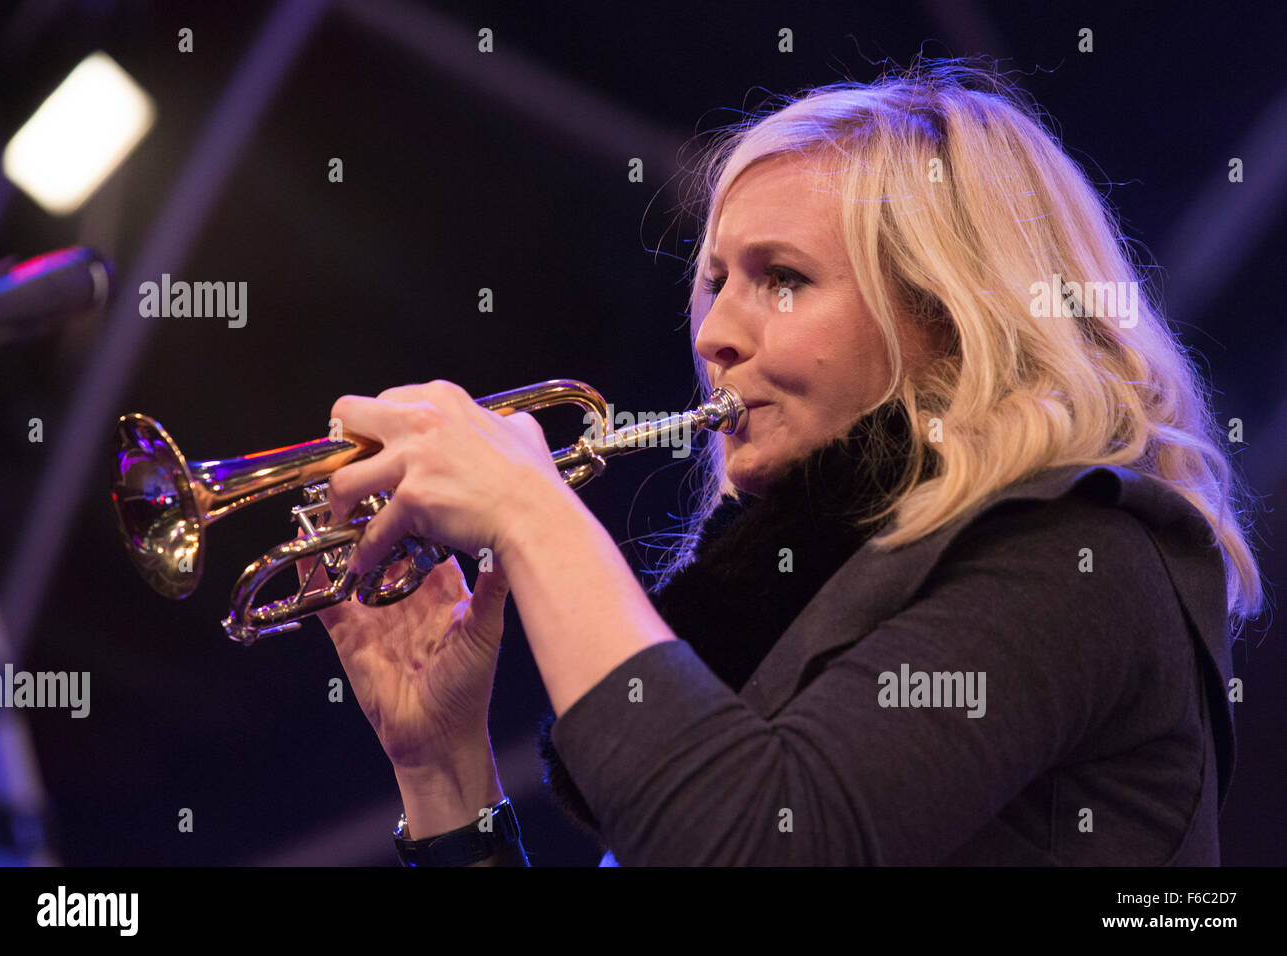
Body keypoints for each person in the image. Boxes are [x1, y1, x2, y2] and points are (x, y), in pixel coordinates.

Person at [301, 59, 1264, 866]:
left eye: (783, 280)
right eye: (715, 281)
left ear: (950, 323)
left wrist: (529, 510)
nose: (714, 332)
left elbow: (761, 843)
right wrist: (443, 772)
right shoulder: (785, 607)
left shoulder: (1085, 559)